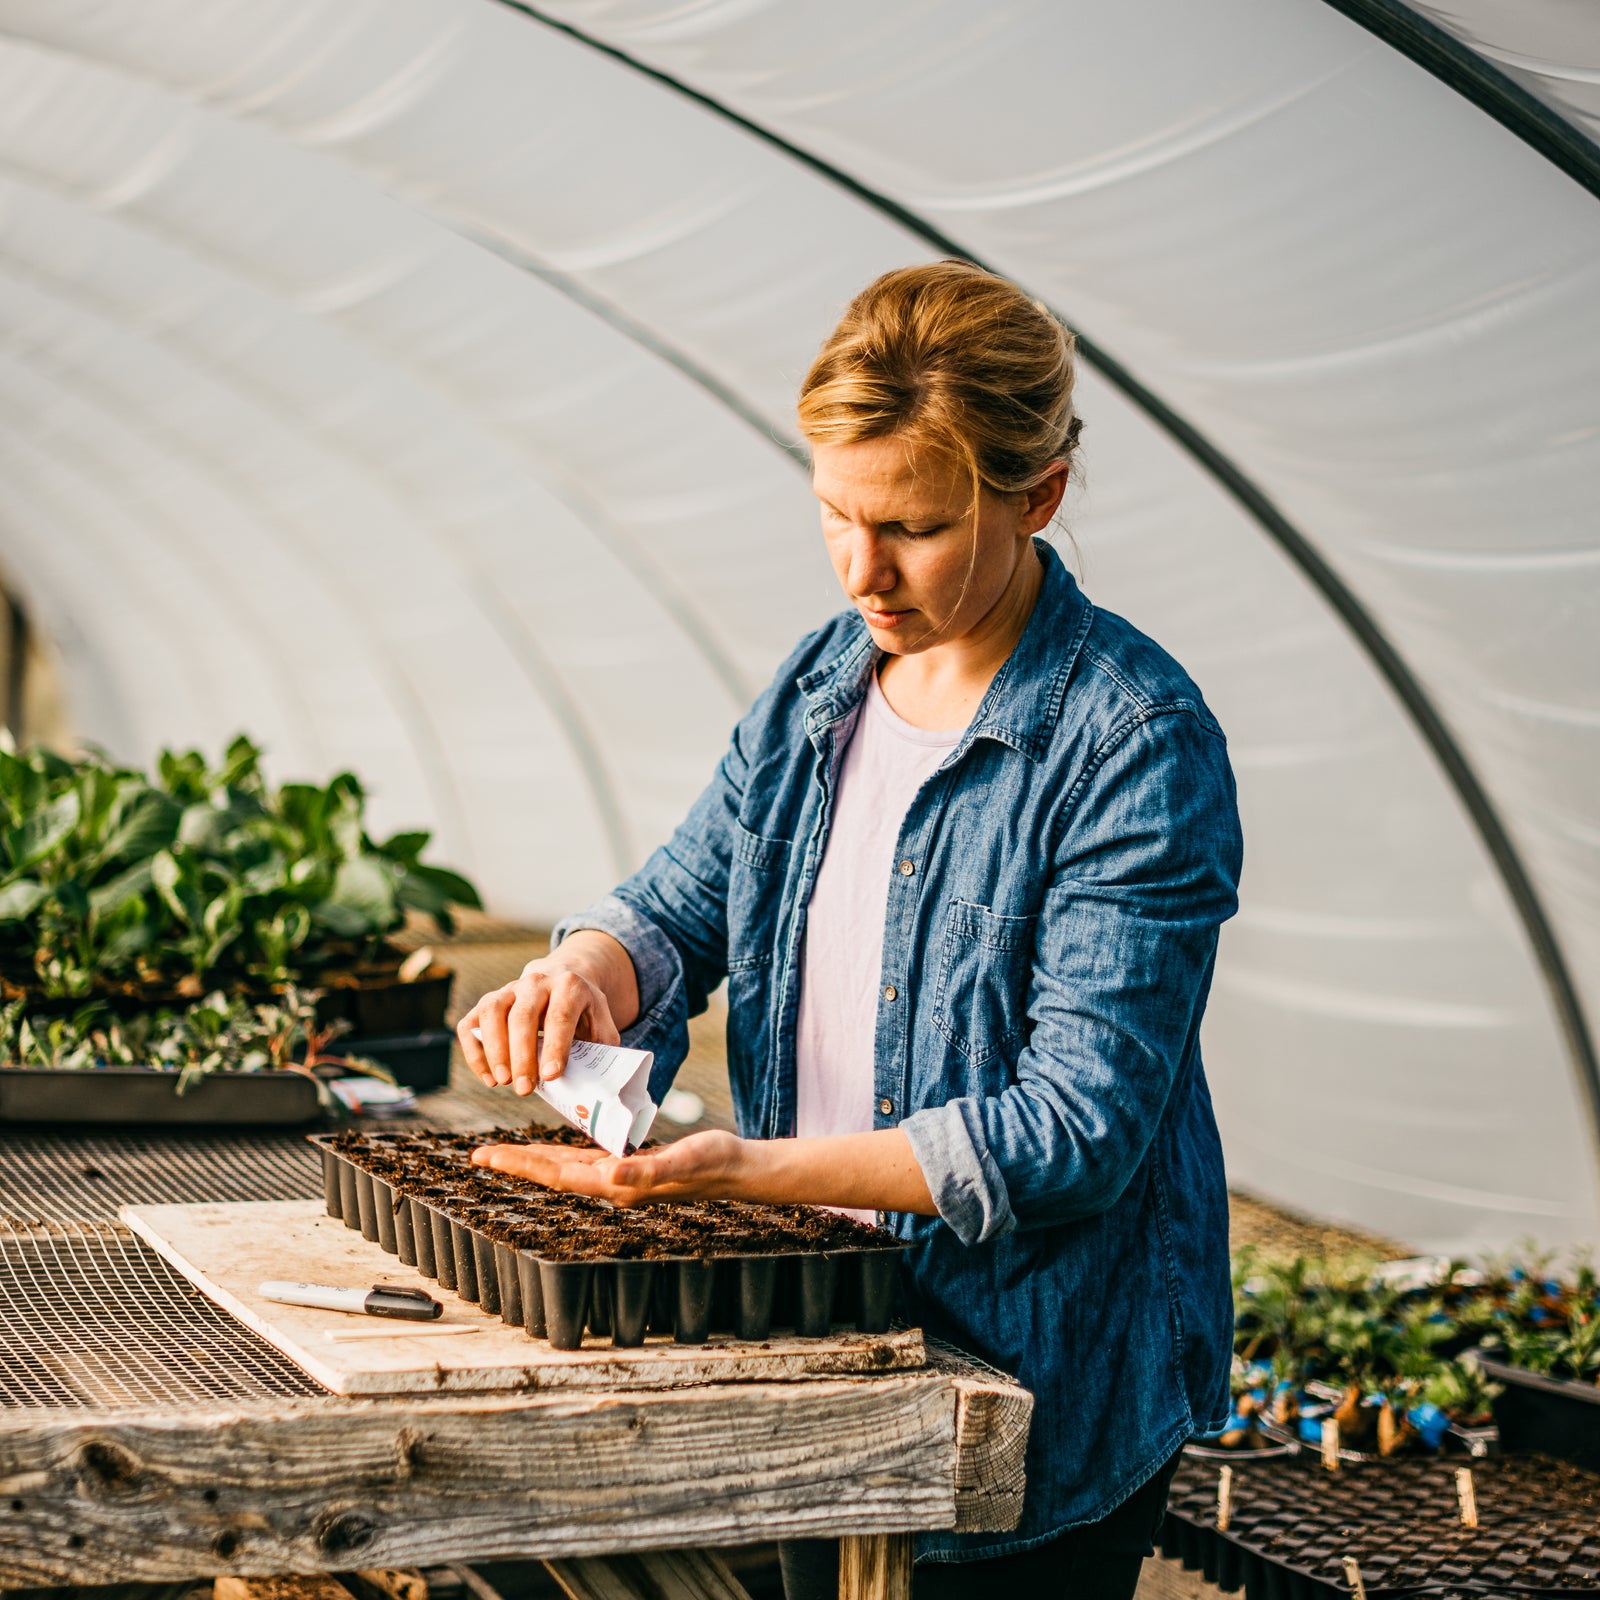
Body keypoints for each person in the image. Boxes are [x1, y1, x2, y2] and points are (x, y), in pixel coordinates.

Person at [459, 261, 1243, 1598]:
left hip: (1031, 1369)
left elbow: (1074, 1131)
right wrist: (587, 969)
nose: (864, 571)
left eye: (916, 528)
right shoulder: (826, 682)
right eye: (837, 513)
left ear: (1038, 495)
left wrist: (745, 1172)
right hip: (831, 1336)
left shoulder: (1130, 742)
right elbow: (684, 902)